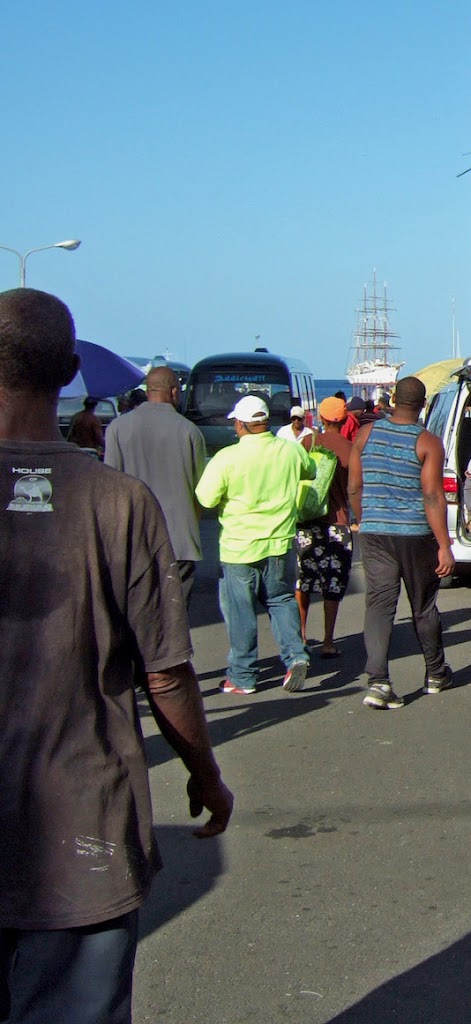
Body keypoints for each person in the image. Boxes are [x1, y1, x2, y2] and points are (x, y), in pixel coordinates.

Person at [0, 288, 232, 1024]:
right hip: (81, 834)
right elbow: (164, 671)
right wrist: (205, 773)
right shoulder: (118, 503)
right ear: (70, 371)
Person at [195, 394, 314, 695]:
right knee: (282, 600)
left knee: (240, 611)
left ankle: (243, 675)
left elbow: (206, 498)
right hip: (279, 542)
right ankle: (296, 656)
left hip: (239, 546)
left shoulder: (227, 458)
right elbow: (309, 470)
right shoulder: (289, 450)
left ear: (241, 425)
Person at [348, 376, 455, 710]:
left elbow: (354, 486)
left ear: (393, 400)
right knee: (422, 606)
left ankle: (378, 682)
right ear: (422, 405)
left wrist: (365, 517)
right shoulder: (427, 442)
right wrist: (444, 545)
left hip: (376, 533)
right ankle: (435, 673)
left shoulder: (366, 434)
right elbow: (432, 495)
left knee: (379, 605)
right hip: (414, 534)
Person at [103, 366, 207, 607]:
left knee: (138, 613)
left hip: (134, 537)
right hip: (178, 539)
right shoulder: (189, 431)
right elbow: (200, 490)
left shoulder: (118, 428)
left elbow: (111, 485)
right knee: (175, 616)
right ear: (173, 392)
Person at [295, 396, 356, 657]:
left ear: (320, 418)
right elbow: (355, 488)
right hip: (338, 525)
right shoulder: (351, 449)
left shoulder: (307, 443)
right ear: (343, 420)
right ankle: (329, 641)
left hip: (307, 522)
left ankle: (302, 636)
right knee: (333, 583)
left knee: (304, 580)